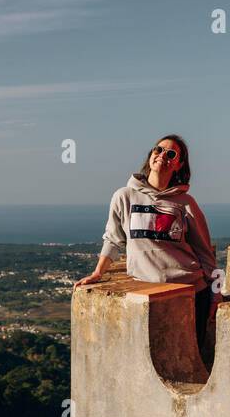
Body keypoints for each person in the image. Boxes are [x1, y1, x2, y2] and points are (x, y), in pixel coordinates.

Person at [74, 134, 219, 351]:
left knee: (188, 357)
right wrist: (98, 273)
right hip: (149, 293)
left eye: (171, 154)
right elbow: (113, 239)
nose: (162, 156)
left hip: (192, 292)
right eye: (158, 150)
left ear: (179, 164)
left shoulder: (186, 203)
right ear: (151, 155)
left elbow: (205, 253)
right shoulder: (124, 196)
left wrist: (216, 294)